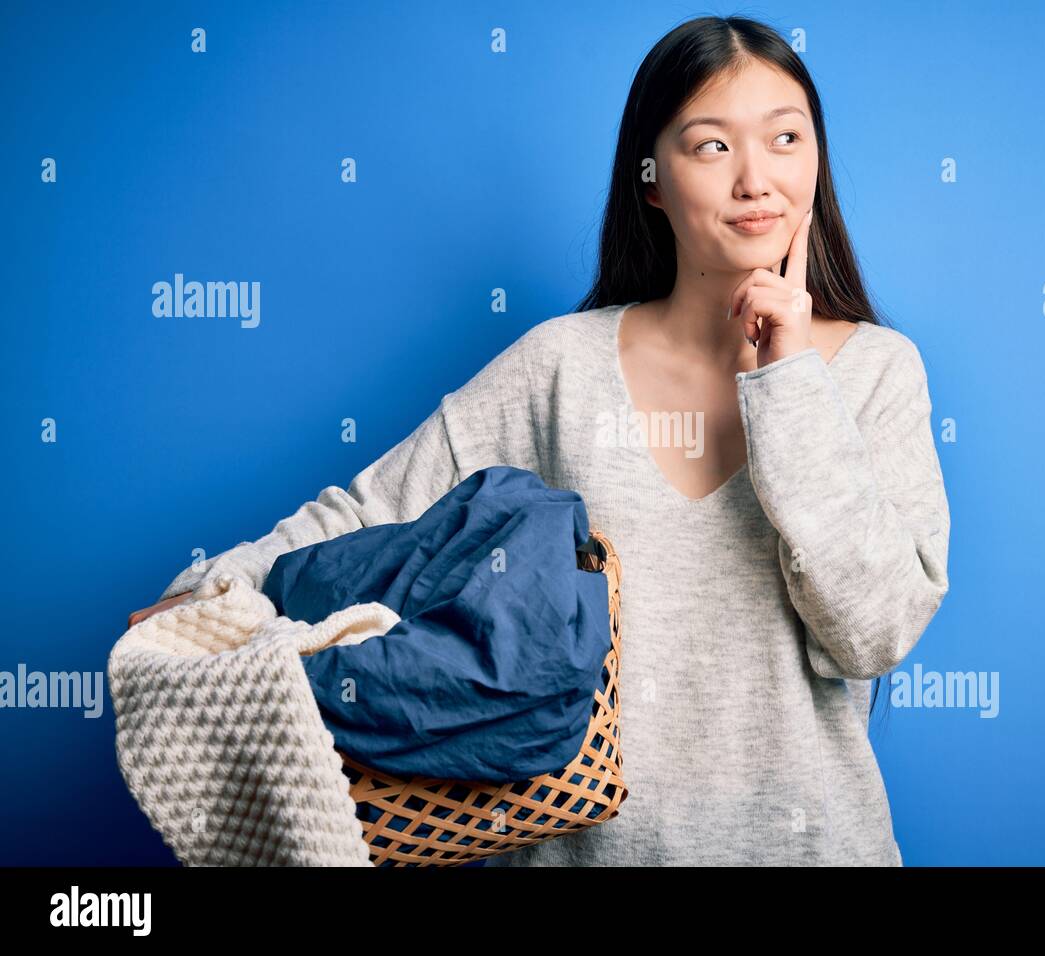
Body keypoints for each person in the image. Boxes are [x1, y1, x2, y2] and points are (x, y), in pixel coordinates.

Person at [130, 15, 950, 866]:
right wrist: (212, 592)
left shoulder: (878, 373)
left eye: (786, 138)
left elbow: (875, 632)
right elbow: (369, 515)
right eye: (711, 146)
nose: (756, 180)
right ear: (653, 181)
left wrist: (787, 382)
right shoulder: (560, 366)